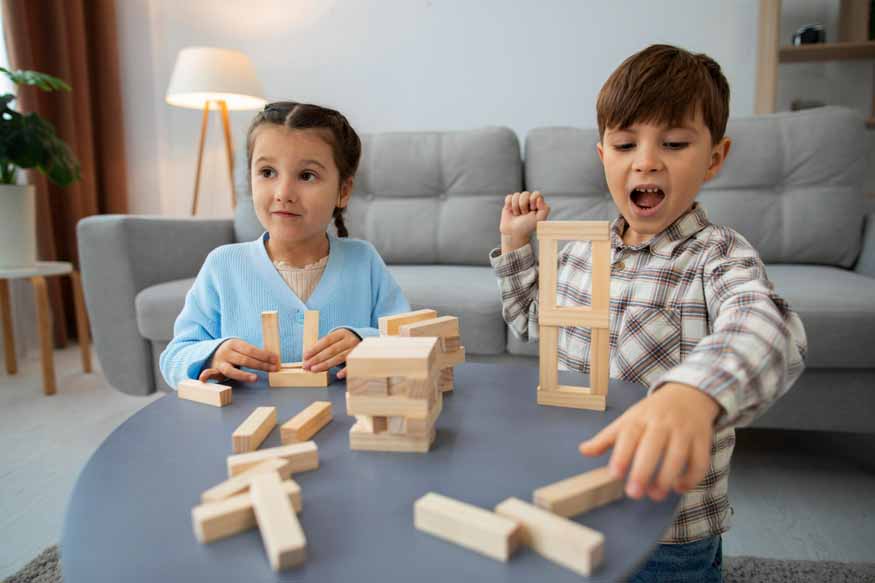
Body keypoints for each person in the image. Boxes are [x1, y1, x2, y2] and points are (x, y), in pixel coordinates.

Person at [491, 44, 807, 582]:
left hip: (669, 527)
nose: (646, 160)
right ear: (603, 157)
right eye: (625, 143)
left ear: (714, 157)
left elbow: (769, 327)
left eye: (675, 142)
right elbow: (527, 323)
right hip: (577, 495)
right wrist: (517, 245)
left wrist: (696, 392)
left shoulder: (718, 256)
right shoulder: (576, 251)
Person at [160, 101, 409, 389]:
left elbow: (408, 341)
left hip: (348, 424)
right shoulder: (223, 265)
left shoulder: (364, 261)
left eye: (306, 176)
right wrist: (212, 356)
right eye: (267, 172)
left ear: (343, 191)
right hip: (245, 426)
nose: (283, 193)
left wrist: (367, 343)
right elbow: (174, 356)